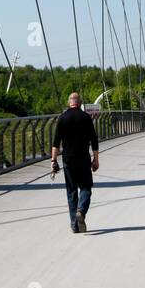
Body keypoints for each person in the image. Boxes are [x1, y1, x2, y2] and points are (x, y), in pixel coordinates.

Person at [51, 92, 99, 233]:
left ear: (69, 102)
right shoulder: (86, 118)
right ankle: (81, 211)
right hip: (83, 159)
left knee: (71, 191)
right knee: (86, 188)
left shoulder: (62, 118)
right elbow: (94, 141)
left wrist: (53, 161)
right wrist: (96, 159)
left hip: (68, 160)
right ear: (80, 103)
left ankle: (74, 225)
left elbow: (55, 143)